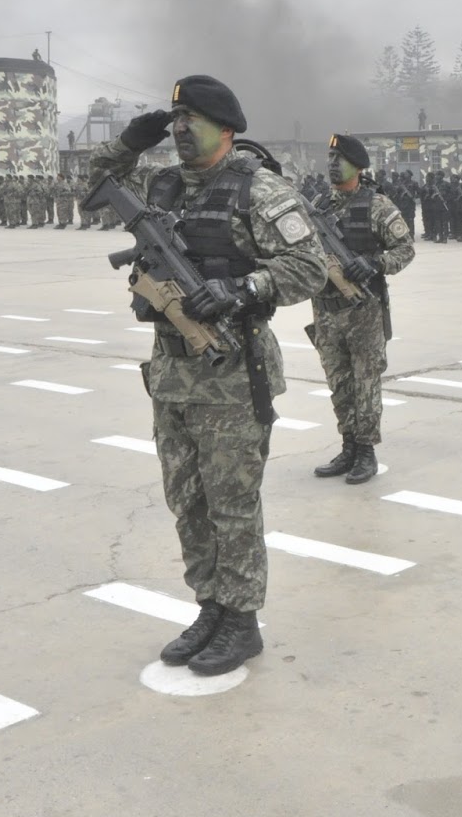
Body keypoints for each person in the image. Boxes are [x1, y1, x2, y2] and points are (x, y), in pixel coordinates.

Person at [88, 75, 328, 677]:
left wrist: (242, 286)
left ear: (225, 128)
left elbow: (310, 267)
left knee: (231, 505)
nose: (178, 129)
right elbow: (90, 187)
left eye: (189, 119)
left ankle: (241, 621)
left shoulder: (260, 189)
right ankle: (210, 607)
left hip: (230, 373)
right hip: (171, 373)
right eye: (172, 120)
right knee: (187, 501)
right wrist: (128, 144)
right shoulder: (163, 183)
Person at [309, 134, 416, 484]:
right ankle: (348, 446)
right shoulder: (318, 205)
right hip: (325, 309)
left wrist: (374, 263)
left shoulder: (378, 205)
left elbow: (405, 249)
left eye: (339, 158)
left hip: (364, 311)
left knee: (365, 382)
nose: (332, 164)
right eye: (329, 157)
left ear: (358, 165)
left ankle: (366, 451)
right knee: (338, 382)